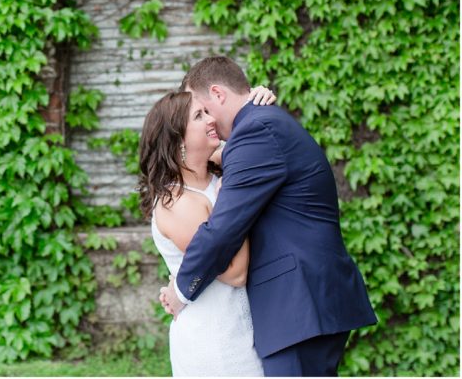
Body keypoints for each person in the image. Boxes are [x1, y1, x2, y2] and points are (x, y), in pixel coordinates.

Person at [158, 56, 377, 376]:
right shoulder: (259, 126)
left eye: (204, 109)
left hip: (298, 304)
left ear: (219, 94)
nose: (206, 120)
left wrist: (180, 292)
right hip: (300, 304)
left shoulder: (256, 131)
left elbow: (221, 231)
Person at [139, 86, 276, 376]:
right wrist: (233, 194)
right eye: (199, 116)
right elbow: (235, 274)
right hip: (215, 341)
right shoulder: (178, 204)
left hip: (246, 328)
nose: (211, 119)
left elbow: (250, 142)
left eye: (207, 111)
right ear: (179, 142)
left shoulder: (215, 176)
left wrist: (256, 99)